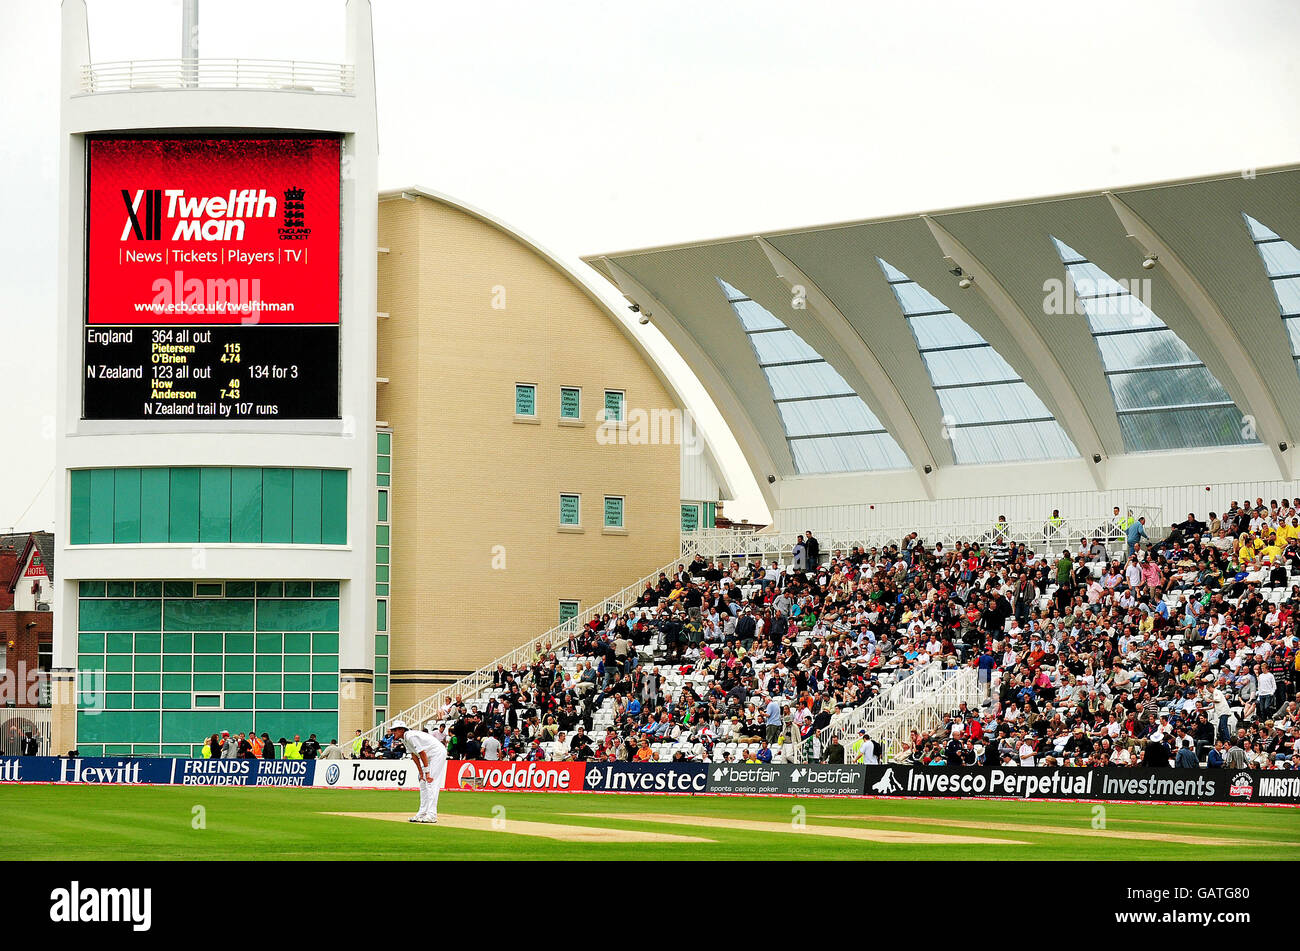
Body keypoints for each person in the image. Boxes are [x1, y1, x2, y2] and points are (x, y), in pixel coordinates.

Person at [389, 719, 447, 824]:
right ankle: (422, 812)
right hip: (428, 756)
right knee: (422, 781)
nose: (393, 732)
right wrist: (421, 772)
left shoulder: (410, 736)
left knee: (431, 782)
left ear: (402, 730)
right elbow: (414, 755)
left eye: (395, 730)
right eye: (392, 730)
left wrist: (427, 771)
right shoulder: (404, 739)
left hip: (437, 753)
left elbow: (422, 753)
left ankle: (432, 815)